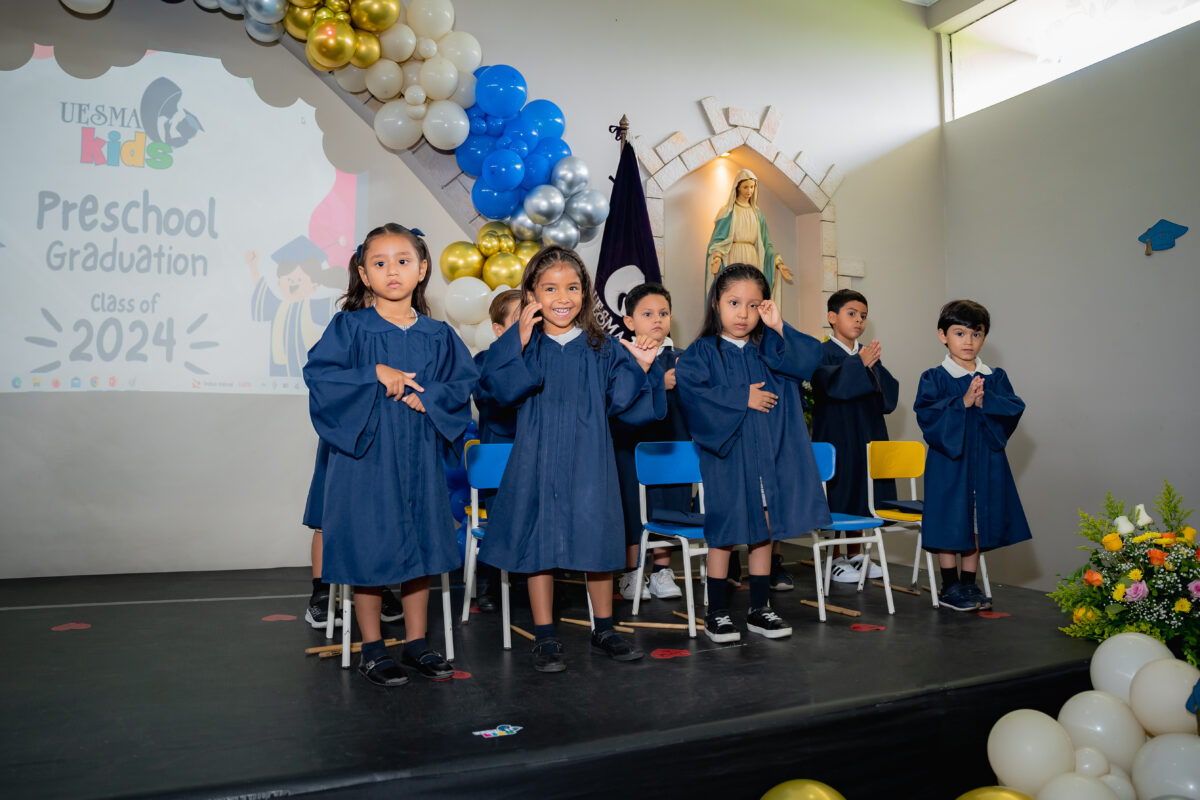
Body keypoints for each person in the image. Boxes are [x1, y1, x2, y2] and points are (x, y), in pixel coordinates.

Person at [304, 223, 477, 687]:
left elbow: (464, 383)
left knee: (420, 547)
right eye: (379, 263)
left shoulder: (439, 335)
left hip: (418, 456)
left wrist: (433, 397)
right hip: (366, 458)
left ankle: (417, 643)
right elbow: (320, 377)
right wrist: (373, 372)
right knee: (370, 550)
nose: (392, 270)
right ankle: (374, 649)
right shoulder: (350, 327)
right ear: (363, 273)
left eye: (403, 261)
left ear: (422, 270)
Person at [478, 246, 665, 673]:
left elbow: (625, 405)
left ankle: (604, 628)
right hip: (537, 459)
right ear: (531, 295)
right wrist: (518, 341)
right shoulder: (525, 345)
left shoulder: (603, 348)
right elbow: (498, 391)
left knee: (596, 541)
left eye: (573, 287)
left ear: (586, 293)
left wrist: (643, 367)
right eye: (549, 288)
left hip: (589, 462)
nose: (563, 297)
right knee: (538, 546)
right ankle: (544, 636)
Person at [676, 264, 831, 643]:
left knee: (764, 529)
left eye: (753, 304)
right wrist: (739, 397)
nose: (742, 313)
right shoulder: (701, 353)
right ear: (716, 303)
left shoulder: (771, 348)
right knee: (725, 532)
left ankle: (760, 608)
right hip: (728, 458)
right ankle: (716, 613)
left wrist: (780, 327)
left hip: (771, 457)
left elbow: (811, 361)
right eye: (733, 302)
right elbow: (692, 395)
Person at [914, 300, 1031, 612]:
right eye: (960, 333)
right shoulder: (934, 378)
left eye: (976, 334)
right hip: (950, 465)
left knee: (977, 521)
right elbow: (928, 418)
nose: (968, 341)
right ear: (943, 335)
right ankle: (949, 584)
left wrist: (984, 402)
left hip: (986, 465)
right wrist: (962, 403)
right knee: (951, 522)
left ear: (984, 338)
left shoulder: (994, 377)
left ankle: (969, 582)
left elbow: (1013, 408)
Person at [812, 289, 899, 584]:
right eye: (852, 313)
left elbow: (888, 397)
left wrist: (869, 365)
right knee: (841, 490)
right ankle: (834, 558)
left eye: (863, 316)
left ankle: (856, 554)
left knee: (863, 491)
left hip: (868, 430)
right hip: (836, 433)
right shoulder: (822, 353)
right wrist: (858, 364)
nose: (859, 320)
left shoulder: (865, 354)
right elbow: (830, 387)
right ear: (832, 317)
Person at [611, 283, 690, 603]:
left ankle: (661, 571)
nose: (657, 319)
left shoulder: (683, 357)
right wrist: (656, 380)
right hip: (631, 445)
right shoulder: (619, 355)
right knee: (633, 507)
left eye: (663, 313)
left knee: (668, 504)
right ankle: (631, 574)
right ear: (629, 321)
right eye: (647, 314)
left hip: (672, 441)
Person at [467, 288, 523, 613]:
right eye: (518, 319)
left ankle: (535, 580)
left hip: (535, 455)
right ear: (499, 329)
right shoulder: (484, 361)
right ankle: (489, 581)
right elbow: (491, 400)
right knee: (499, 518)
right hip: (500, 452)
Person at [247, 236, 343, 378]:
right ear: (279, 283)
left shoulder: (313, 307)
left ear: (314, 285)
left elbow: (342, 304)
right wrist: (253, 266)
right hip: (278, 373)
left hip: (307, 372)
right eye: (289, 280)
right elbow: (263, 296)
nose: (294, 284)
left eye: (300, 279)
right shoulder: (278, 306)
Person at [704, 169, 794, 300]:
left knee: (752, 294)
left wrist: (778, 263)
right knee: (734, 292)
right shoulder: (728, 212)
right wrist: (717, 257)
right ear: (738, 187)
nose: (749, 191)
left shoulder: (757, 214)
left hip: (753, 257)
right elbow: (718, 240)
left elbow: (765, 243)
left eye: (752, 187)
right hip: (733, 256)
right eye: (745, 187)